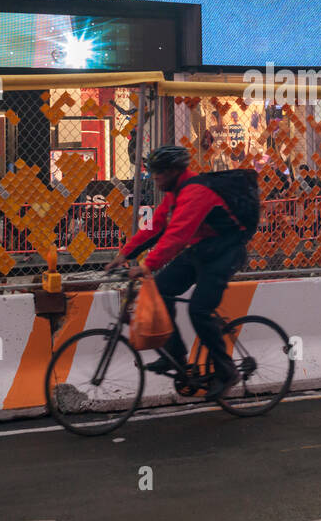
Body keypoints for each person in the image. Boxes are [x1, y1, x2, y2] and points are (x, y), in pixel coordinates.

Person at [105, 145, 248, 400]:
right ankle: (176, 357)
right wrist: (124, 255)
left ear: (173, 171)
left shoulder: (196, 191)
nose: (154, 177)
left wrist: (147, 265)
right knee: (160, 291)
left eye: (158, 172)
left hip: (226, 252)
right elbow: (155, 227)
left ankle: (227, 372)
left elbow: (177, 235)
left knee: (198, 310)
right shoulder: (175, 193)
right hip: (202, 250)